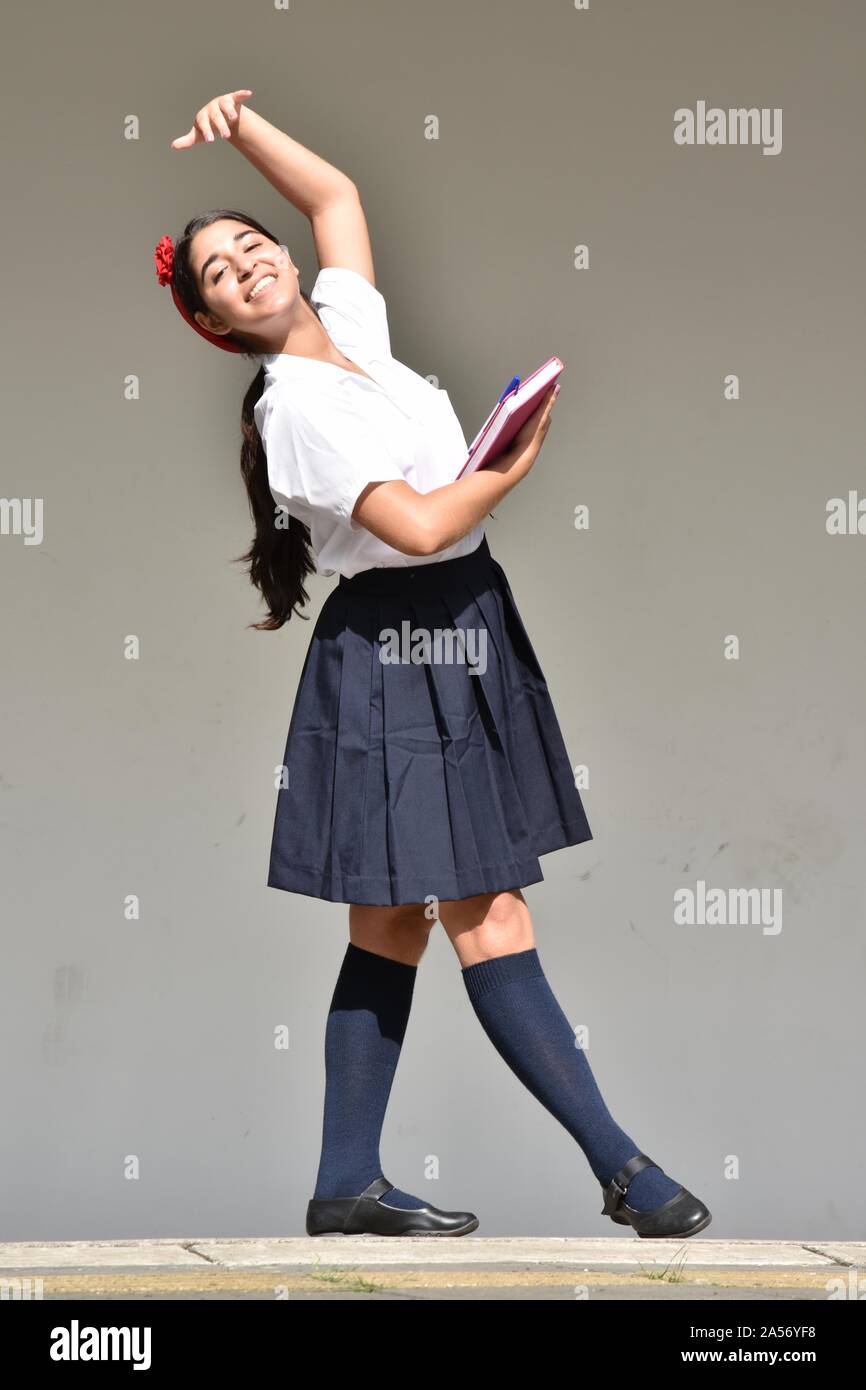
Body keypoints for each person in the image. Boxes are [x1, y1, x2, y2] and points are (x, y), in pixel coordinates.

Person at [155, 90, 711, 1240]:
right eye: (220, 273)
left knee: (391, 924)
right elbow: (412, 527)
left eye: (251, 244)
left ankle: (343, 1183)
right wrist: (514, 457)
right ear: (215, 323)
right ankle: (623, 1169)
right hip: (402, 634)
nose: (250, 263)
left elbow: (336, 196)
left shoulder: (351, 339)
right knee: (485, 911)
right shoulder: (294, 406)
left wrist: (239, 125)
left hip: (458, 618)